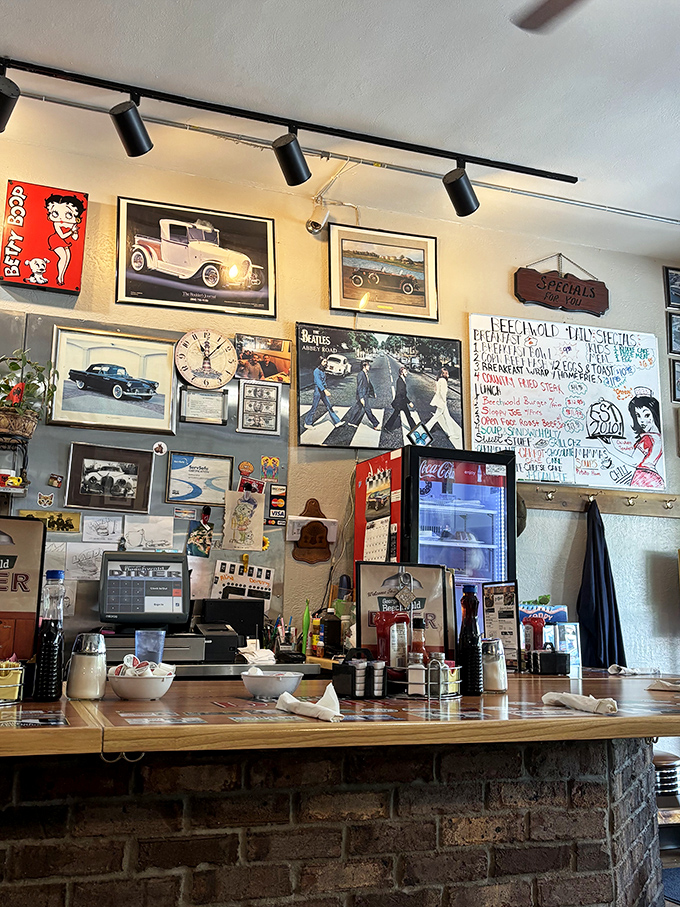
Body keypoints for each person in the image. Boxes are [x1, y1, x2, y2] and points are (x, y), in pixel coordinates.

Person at [604, 388, 663, 488]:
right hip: (655, 479)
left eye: (647, 415)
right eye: (638, 416)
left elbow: (634, 461)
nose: (642, 421)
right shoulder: (658, 438)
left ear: (655, 414)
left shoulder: (648, 439)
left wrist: (611, 448)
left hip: (645, 478)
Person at [44, 194, 85, 285]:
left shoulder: (72, 224)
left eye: (69, 214)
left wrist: (74, 232)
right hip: (55, 239)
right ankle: (59, 277)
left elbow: (75, 238)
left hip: (65, 242)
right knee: (63, 257)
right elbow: (62, 235)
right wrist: (72, 231)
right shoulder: (57, 223)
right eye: (55, 213)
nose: (61, 217)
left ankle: (61, 275)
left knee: (68, 258)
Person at [425, 367, 463, 446]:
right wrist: (444, 401)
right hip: (442, 402)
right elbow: (442, 393)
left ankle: (451, 433)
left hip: (440, 401)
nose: (448, 375)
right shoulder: (443, 381)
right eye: (446, 373)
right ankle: (426, 428)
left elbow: (436, 390)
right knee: (436, 417)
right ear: (443, 374)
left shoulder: (439, 380)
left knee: (447, 417)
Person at [303, 357, 343, 428]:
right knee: (314, 407)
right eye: (324, 362)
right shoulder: (316, 371)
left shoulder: (322, 371)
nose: (326, 363)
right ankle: (307, 423)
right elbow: (318, 382)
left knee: (329, 406)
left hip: (322, 390)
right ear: (320, 362)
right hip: (318, 391)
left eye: (326, 362)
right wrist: (325, 390)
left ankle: (337, 422)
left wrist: (325, 389)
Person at [345, 360, 380, 431]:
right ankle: (375, 424)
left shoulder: (365, 374)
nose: (369, 366)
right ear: (364, 366)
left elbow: (369, 385)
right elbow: (359, 387)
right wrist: (361, 398)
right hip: (363, 395)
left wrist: (373, 393)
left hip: (365, 394)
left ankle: (351, 421)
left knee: (357, 407)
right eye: (368, 365)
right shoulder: (361, 374)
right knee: (367, 409)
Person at [384, 365, 416, 432]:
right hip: (400, 402)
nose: (406, 373)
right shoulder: (400, 381)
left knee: (406, 415)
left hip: (402, 401)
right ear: (401, 373)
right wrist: (409, 402)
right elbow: (401, 393)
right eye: (405, 372)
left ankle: (413, 428)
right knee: (399, 415)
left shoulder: (402, 380)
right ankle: (387, 427)